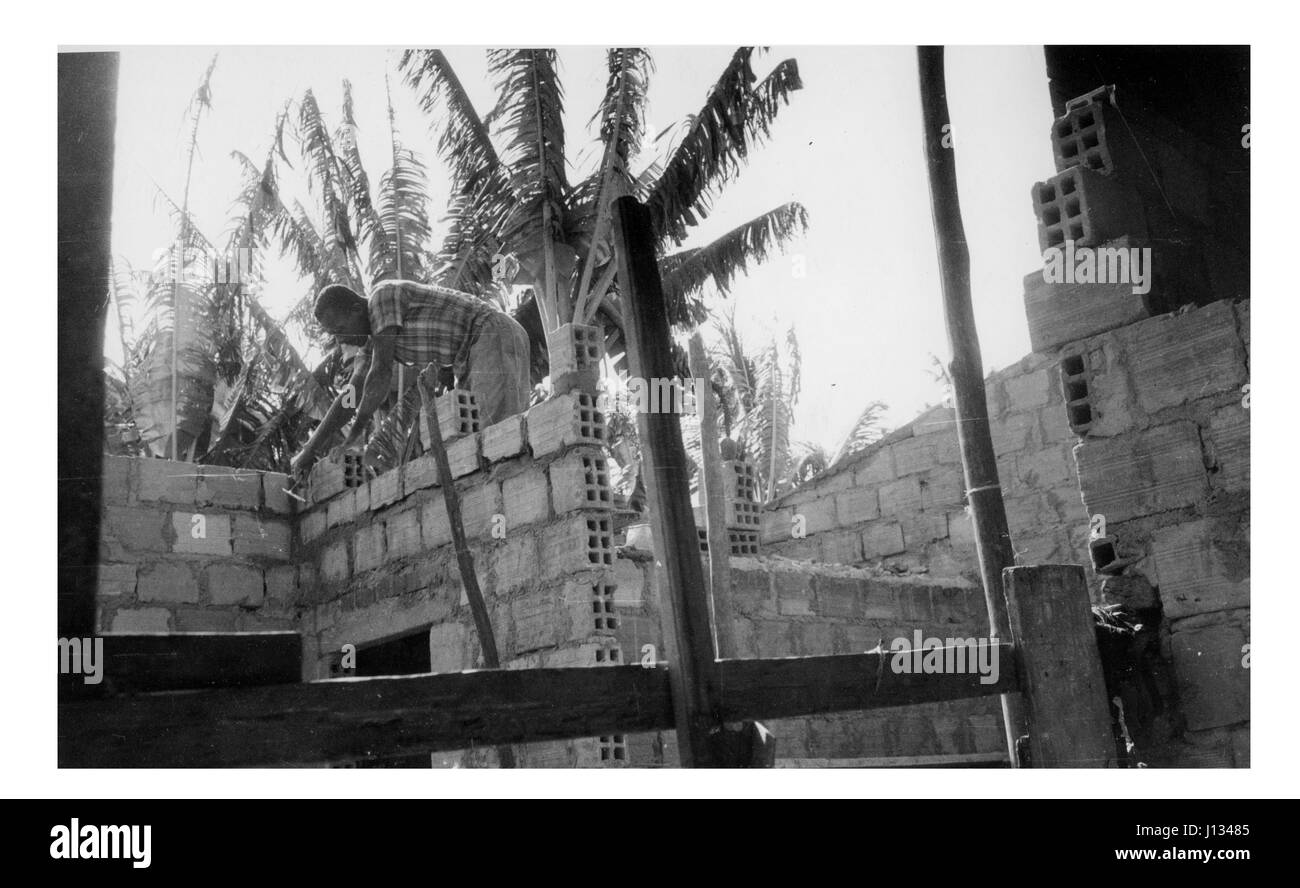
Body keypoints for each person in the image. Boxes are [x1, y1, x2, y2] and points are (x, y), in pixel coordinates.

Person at [289, 278, 531, 478]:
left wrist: (354, 437)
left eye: (341, 329)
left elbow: (381, 371)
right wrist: (308, 453)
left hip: (490, 332)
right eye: (334, 335)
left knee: (499, 440)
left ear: (355, 309)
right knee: (475, 442)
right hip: (468, 357)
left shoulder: (381, 298)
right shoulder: (370, 344)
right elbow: (351, 396)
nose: (341, 340)